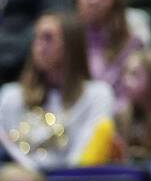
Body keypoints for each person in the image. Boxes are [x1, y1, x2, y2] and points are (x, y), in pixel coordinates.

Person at [0, 11, 114, 169]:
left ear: (71, 45)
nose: (38, 46)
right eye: (36, 38)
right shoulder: (11, 96)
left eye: (48, 38)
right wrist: (34, 176)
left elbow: (84, 157)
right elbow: (9, 147)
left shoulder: (97, 95)